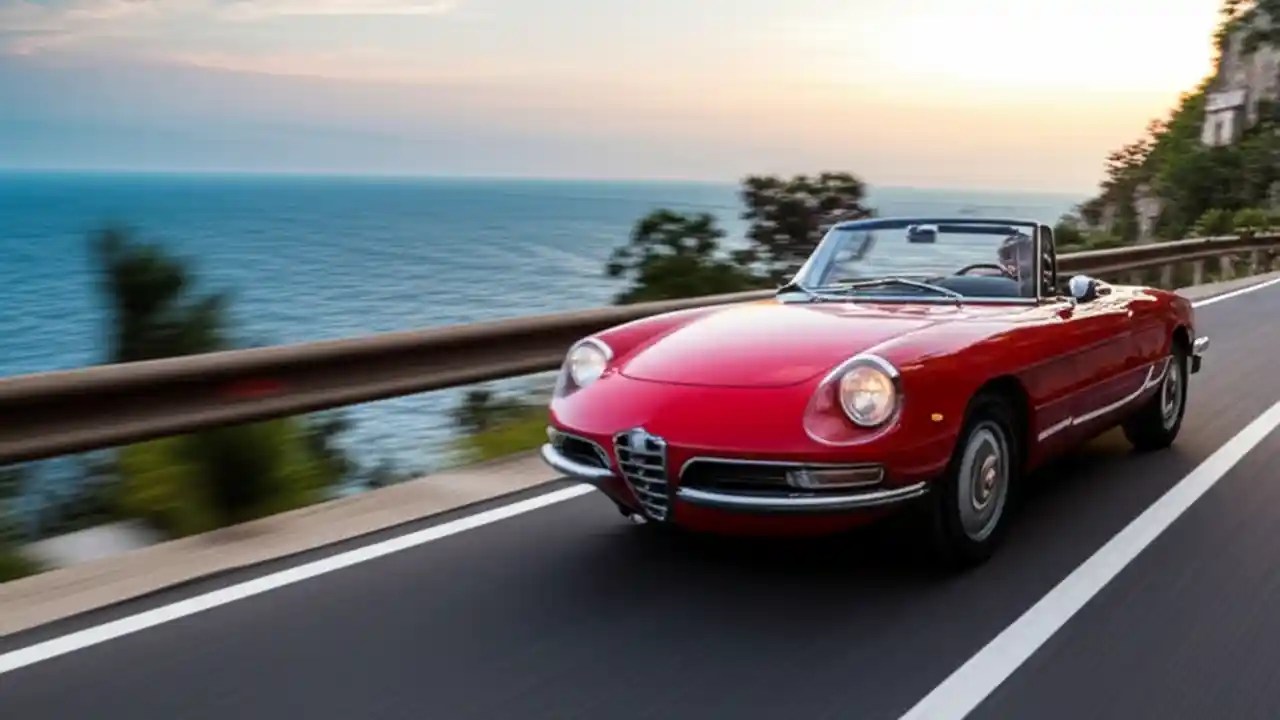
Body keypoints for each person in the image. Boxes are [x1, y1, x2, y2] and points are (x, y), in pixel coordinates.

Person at [997, 232, 1036, 297]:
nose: (1013, 261)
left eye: (1022, 255)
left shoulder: (1038, 280)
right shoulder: (1000, 278)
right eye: (1007, 256)